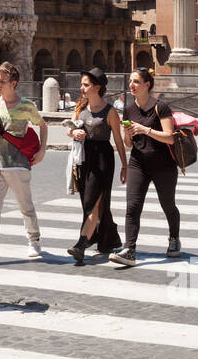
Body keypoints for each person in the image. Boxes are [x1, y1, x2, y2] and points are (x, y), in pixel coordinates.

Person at [0, 62, 48, 267]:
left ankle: (34, 240)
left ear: (13, 83)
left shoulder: (26, 105)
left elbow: (42, 125)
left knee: (25, 205)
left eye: (3, 81)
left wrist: (42, 150)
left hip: (18, 163)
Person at [110, 67, 181, 266]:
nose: (131, 85)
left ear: (147, 84)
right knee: (132, 207)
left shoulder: (161, 107)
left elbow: (170, 138)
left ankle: (174, 238)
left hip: (163, 165)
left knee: (167, 205)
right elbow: (128, 144)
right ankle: (129, 249)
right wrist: (128, 133)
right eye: (130, 81)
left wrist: (145, 130)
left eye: (136, 82)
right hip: (138, 163)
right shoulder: (129, 108)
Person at [67, 67, 129, 265]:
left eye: (86, 85)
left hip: (103, 159)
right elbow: (70, 128)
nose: (82, 88)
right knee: (90, 202)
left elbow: (118, 140)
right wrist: (73, 134)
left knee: (92, 202)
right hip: (84, 158)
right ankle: (109, 238)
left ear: (97, 87)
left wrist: (124, 166)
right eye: (82, 84)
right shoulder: (80, 108)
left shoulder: (109, 111)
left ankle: (81, 244)